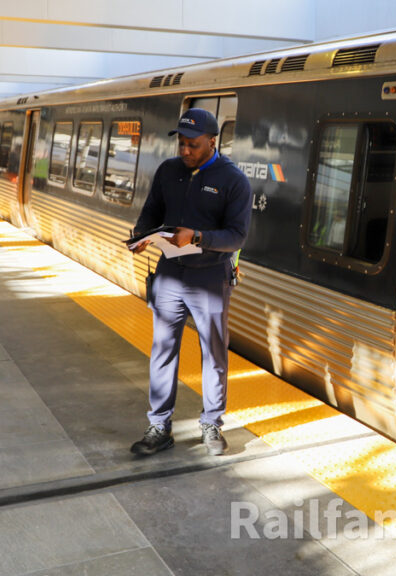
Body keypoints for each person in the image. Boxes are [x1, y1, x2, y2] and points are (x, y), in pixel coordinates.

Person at [129, 108, 253, 456]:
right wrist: (141, 237)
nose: (185, 151)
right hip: (169, 274)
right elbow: (151, 212)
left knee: (213, 353)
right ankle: (159, 427)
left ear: (212, 142)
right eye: (181, 144)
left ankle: (212, 424)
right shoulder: (168, 171)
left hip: (210, 278)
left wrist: (197, 237)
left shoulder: (233, 180)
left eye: (193, 145)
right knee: (163, 350)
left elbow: (236, 236)